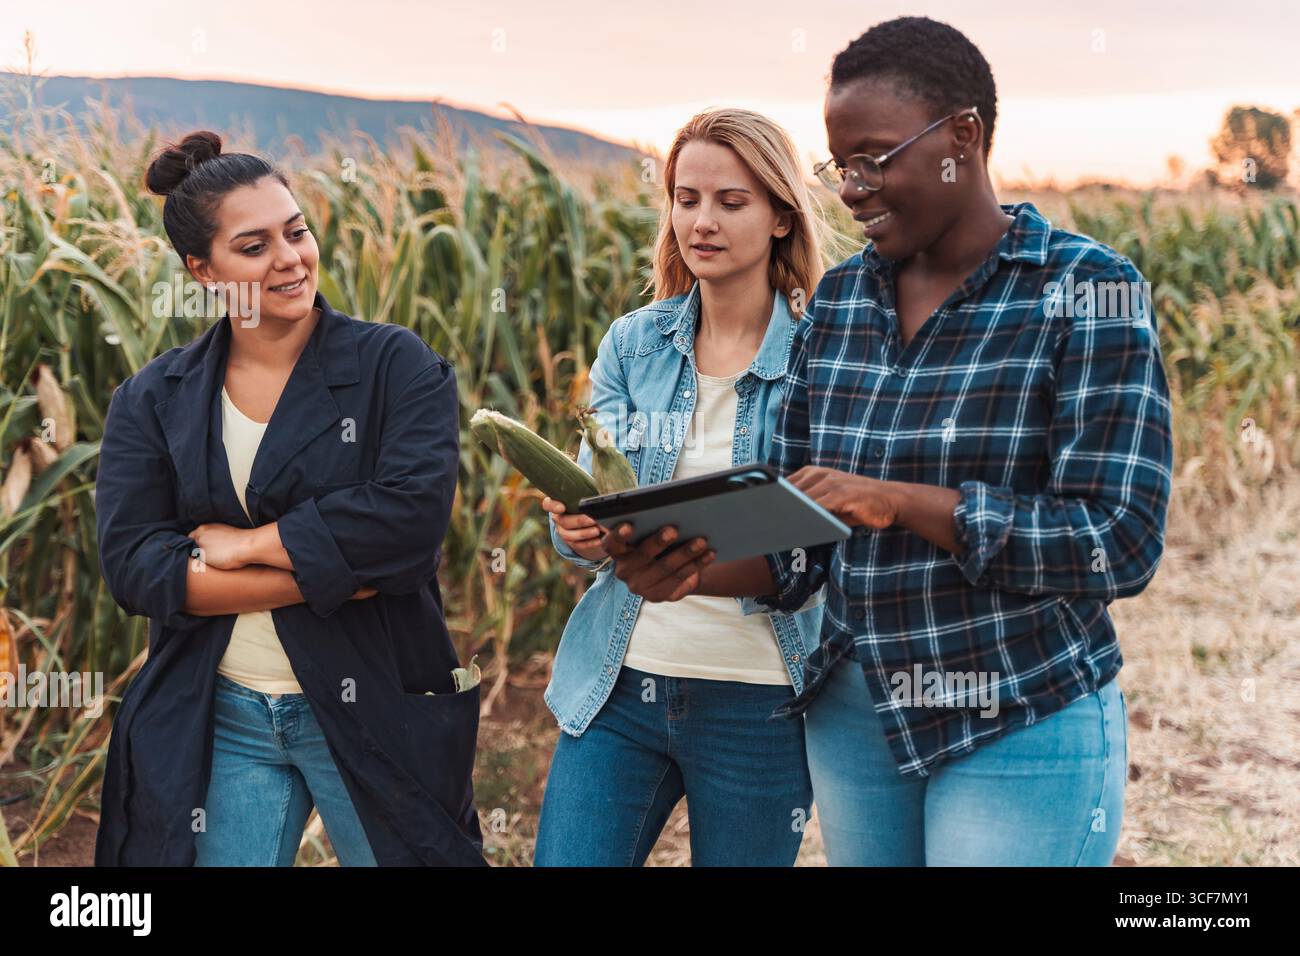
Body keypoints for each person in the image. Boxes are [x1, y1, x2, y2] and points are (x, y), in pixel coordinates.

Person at [602, 17, 1174, 866]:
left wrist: (906, 504)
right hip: (857, 718)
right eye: (841, 166)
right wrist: (683, 567)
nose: (853, 188)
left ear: (962, 137)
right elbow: (802, 540)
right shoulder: (839, 304)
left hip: (1015, 704)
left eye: (875, 158)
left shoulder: (1087, 288)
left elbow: (1118, 543)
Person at [94, 131, 484, 866]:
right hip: (223, 713)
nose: (289, 258)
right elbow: (136, 567)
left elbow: (408, 529)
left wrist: (240, 546)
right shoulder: (154, 397)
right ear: (202, 270)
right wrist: (340, 574)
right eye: (254, 246)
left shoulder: (394, 365)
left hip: (372, 699)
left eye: (296, 231)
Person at [535, 108, 840, 866]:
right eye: (686, 197)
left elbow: (821, 539)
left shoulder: (825, 353)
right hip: (619, 683)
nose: (701, 221)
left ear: (779, 216)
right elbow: (589, 501)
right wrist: (573, 530)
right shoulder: (633, 343)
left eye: (731, 202)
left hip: (761, 699)